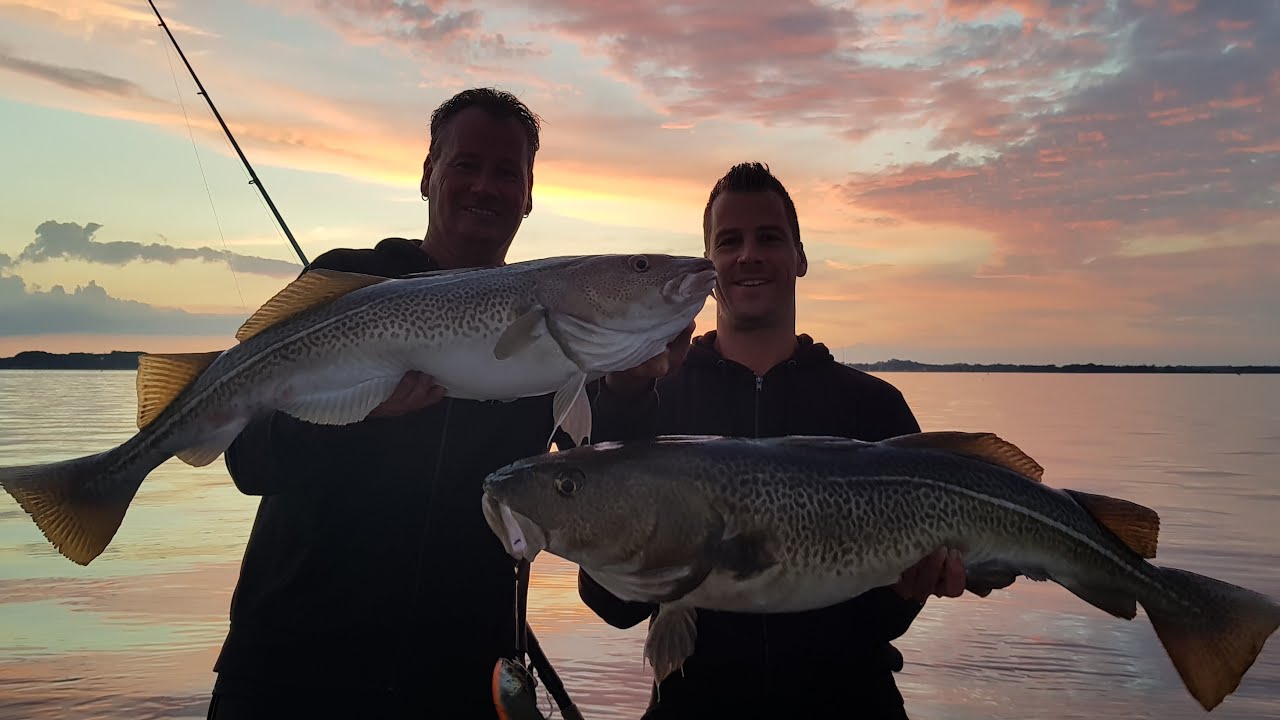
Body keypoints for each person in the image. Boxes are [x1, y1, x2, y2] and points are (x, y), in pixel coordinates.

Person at [206, 88, 597, 719]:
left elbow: (599, 476)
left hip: (459, 681)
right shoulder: (344, 283)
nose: (485, 186)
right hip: (289, 671)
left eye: (507, 173)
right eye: (465, 165)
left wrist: (639, 390)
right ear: (427, 175)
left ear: (529, 194)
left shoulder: (553, 338)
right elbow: (249, 461)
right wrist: (355, 413)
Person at [581, 162, 967, 719]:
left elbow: (884, 619)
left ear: (800, 257)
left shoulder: (872, 405)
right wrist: (620, 408)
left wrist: (917, 586)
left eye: (769, 238)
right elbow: (611, 607)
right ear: (708, 266)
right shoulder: (647, 396)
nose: (748, 256)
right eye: (728, 242)